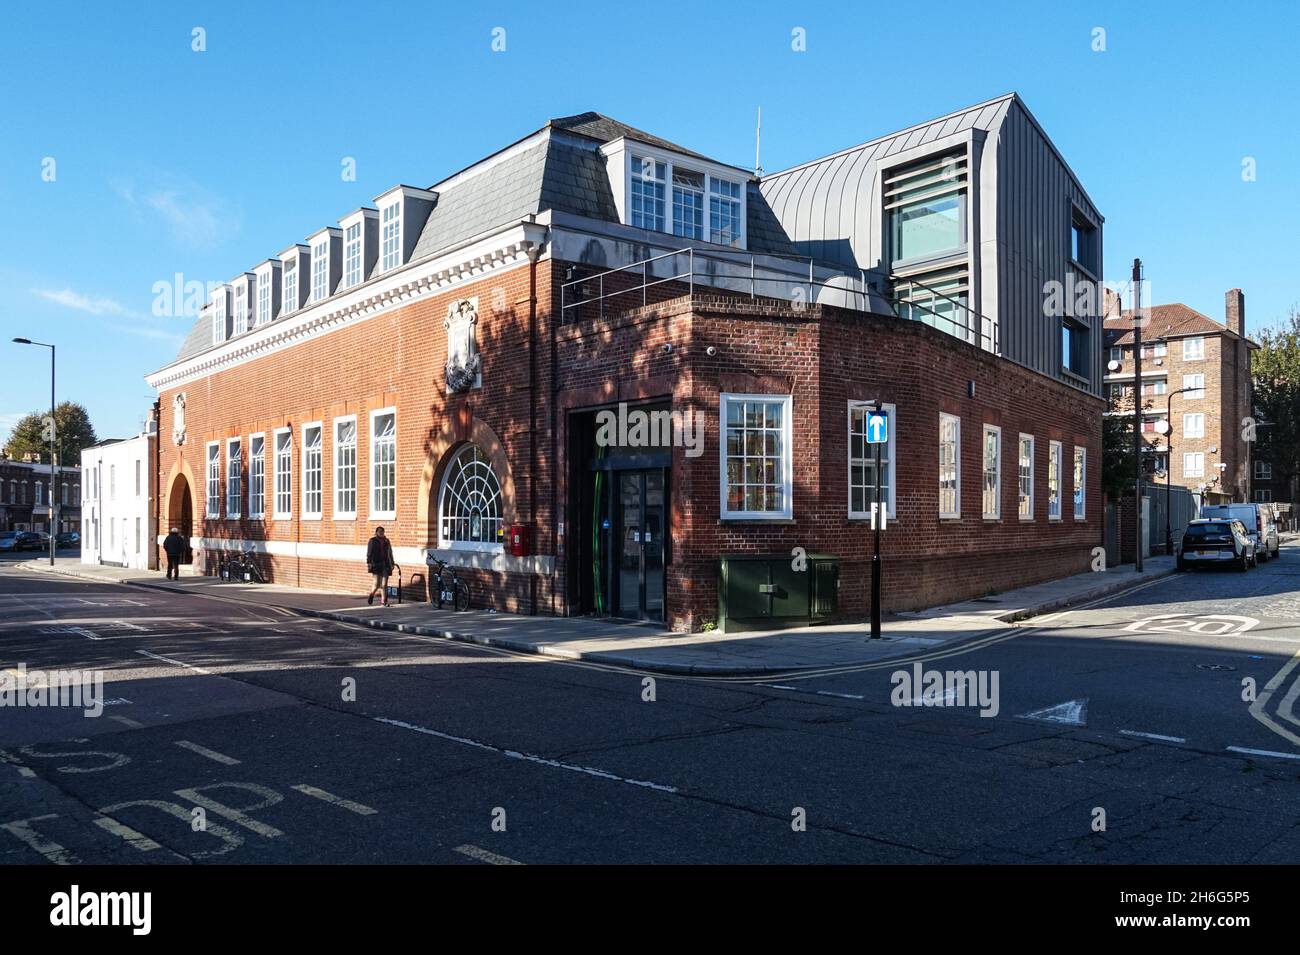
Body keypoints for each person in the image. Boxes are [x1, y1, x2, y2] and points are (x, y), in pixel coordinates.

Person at [366, 526, 399, 606]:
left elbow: (390, 553)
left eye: (382, 531)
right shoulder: (372, 541)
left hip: (386, 564)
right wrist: (369, 563)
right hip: (376, 564)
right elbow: (369, 553)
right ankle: (372, 594)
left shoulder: (387, 541)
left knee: (384, 584)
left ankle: (383, 601)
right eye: (379, 531)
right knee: (377, 584)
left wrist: (392, 562)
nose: (381, 533)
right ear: (376, 532)